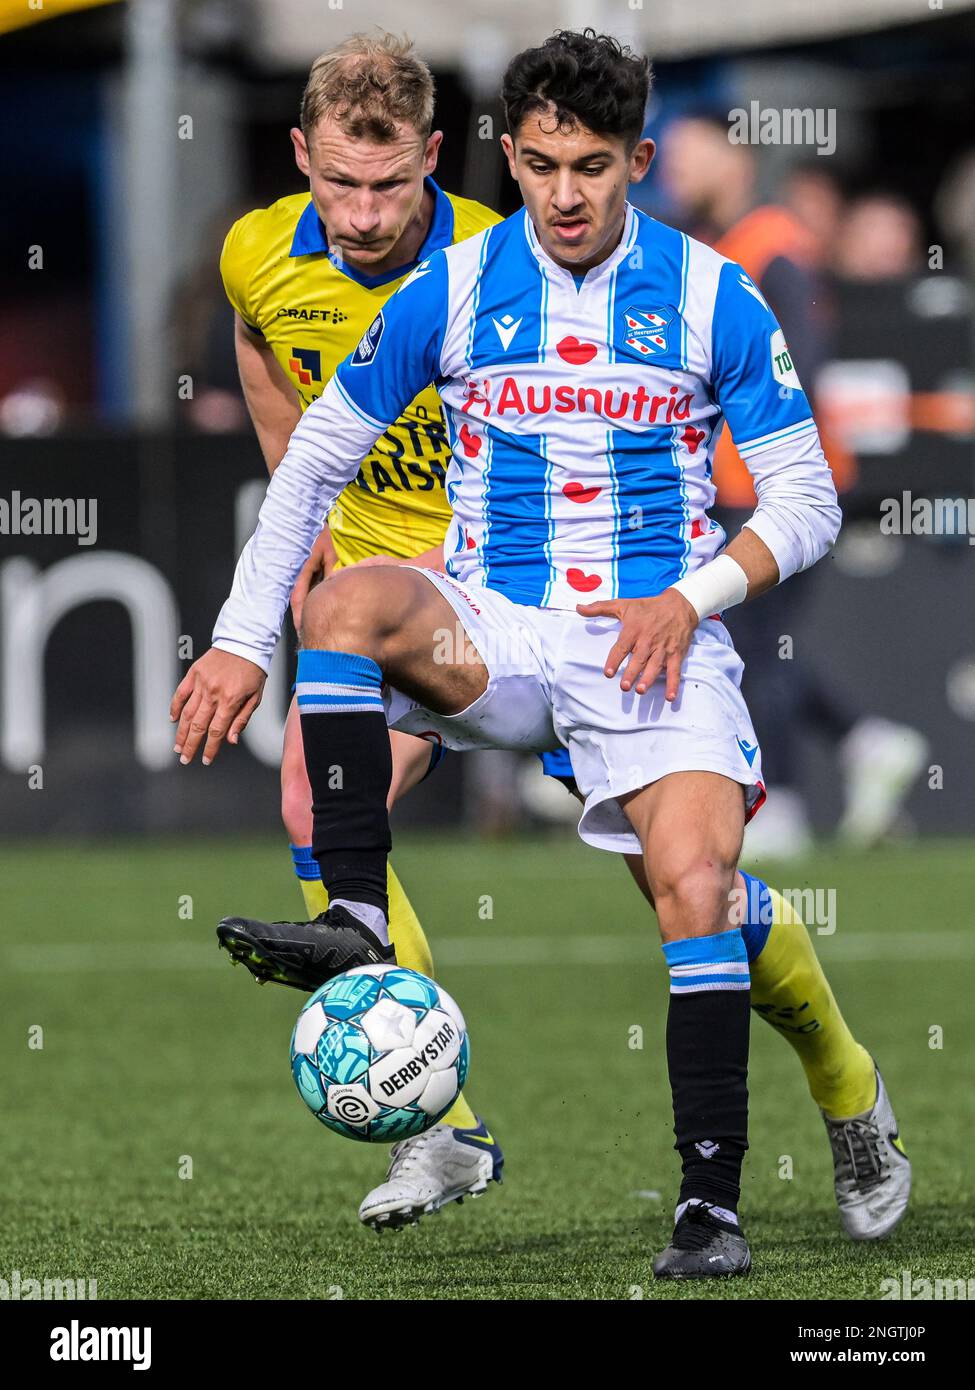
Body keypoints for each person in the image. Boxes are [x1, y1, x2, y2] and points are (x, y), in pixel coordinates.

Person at [174, 31, 911, 1277]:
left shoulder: (713, 291)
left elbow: (805, 495)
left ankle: (729, 1189)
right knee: (343, 607)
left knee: (698, 894)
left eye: (593, 166)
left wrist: (694, 594)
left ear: (639, 159)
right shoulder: (455, 289)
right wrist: (243, 640)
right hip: (495, 634)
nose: (565, 196)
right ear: (508, 156)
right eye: (541, 165)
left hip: (647, 642)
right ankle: (360, 921)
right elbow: (311, 465)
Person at [215, 32, 504, 1231]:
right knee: (310, 803)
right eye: (341, 182)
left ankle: (844, 1084)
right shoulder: (254, 253)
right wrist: (309, 508)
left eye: (391, 186)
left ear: (434, 157)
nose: (366, 212)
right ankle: (439, 1124)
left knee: (691, 887)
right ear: (301, 155)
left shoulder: (502, 254)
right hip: (376, 603)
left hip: (515, 583)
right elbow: (259, 344)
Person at [659, 117, 928, 855]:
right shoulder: (701, 243)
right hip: (720, 484)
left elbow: (799, 371)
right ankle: (864, 741)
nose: (674, 168)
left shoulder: (776, 247)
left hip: (771, 484)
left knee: (749, 643)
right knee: (740, 639)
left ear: (737, 158)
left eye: (691, 154)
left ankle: (780, 800)